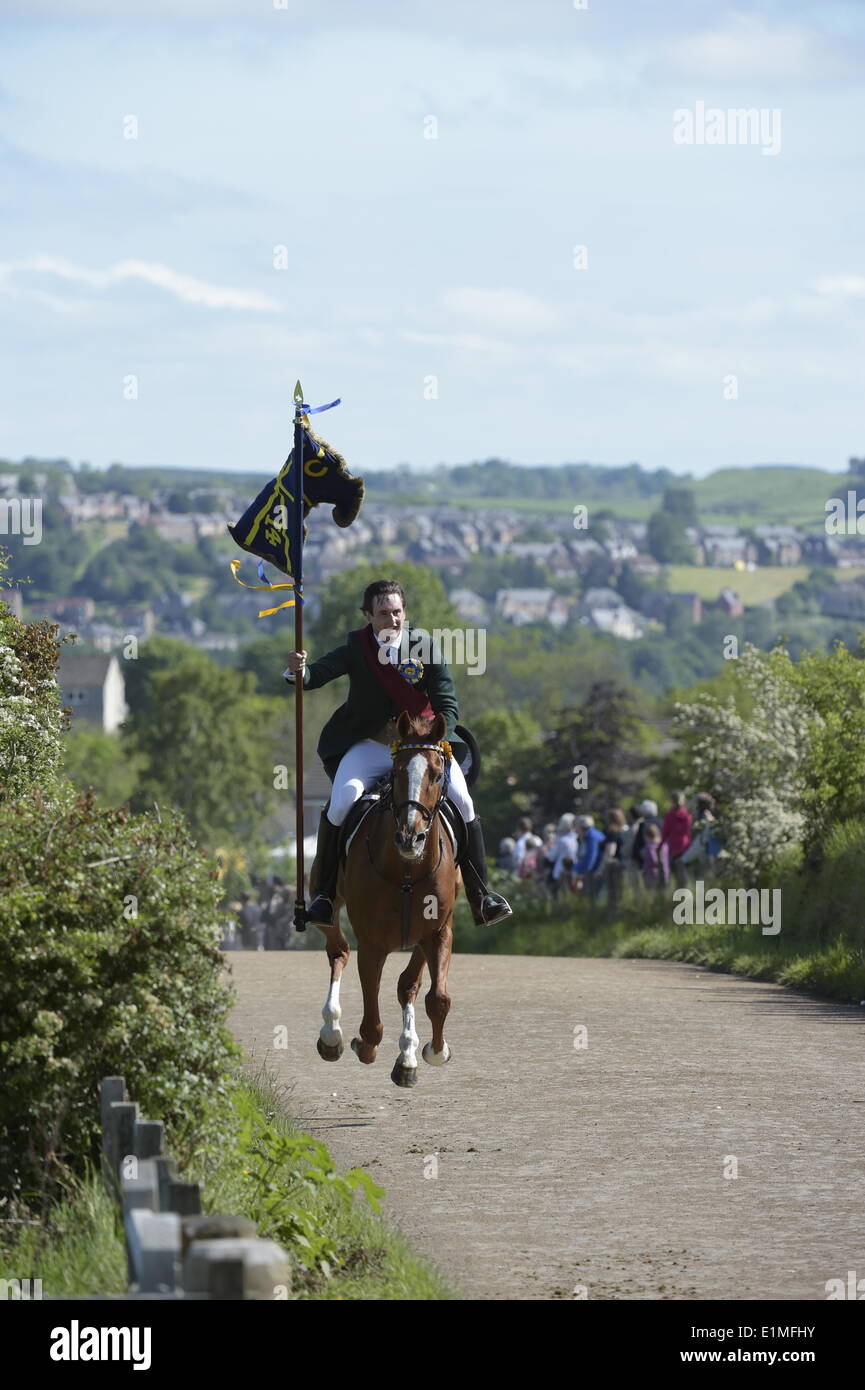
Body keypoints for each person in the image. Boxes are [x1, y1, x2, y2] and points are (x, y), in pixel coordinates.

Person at [284, 578, 511, 927]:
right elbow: (318, 675)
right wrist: (298, 671)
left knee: (464, 802)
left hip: (420, 748)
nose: (393, 619)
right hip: (371, 746)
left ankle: (482, 895)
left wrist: (436, 737)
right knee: (343, 800)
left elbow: (447, 702)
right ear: (368, 616)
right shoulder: (356, 647)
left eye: (398, 612)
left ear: (406, 612)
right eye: (384, 613)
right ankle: (325, 896)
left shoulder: (425, 645)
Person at [660, 791, 692, 889]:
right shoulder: (687, 815)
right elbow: (688, 830)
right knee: (684, 871)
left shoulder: (670, 815)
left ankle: (679, 895)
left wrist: (660, 846)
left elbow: (665, 833)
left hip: (674, 847)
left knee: (675, 874)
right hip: (685, 846)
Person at [599, 808, 628, 909]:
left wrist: (601, 868)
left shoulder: (612, 833)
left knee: (611, 892)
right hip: (624, 864)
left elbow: (610, 852)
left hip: (613, 866)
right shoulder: (625, 830)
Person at [573, 813, 605, 896]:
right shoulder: (591, 834)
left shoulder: (591, 836)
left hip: (596, 871)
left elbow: (591, 857)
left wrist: (580, 871)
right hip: (596, 870)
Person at [548, 813, 578, 899]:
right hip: (575, 871)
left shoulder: (562, 840)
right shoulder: (577, 837)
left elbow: (551, 857)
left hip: (561, 872)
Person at [642, 822, 669, 891]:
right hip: (665, 872)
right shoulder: (664, 845)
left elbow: (653, 859)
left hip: (651, 874)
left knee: (653, 894)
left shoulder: (649, 846)